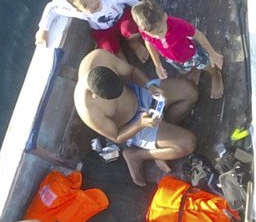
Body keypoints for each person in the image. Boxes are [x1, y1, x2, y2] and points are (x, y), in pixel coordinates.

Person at [74, 50, 196, 187]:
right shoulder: (88, 111)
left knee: (190, 92)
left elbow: (131, 72)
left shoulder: (99, 57)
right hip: (133, 125)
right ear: (95, 96)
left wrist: (149, 86)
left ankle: (162, 137)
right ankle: (137, 155)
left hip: (139, 93)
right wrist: (140, 124)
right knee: (188, 143)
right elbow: (117, 137)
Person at [122, 0, 225, 97]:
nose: (159, 37)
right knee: (184, 69)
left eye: (161, 31)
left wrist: (213, 53)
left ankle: (215, 74)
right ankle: (195, 69)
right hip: (172, 58)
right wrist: (157, 64)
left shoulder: (178, 25)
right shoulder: (146, 32)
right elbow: (148, 42)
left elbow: (198, 35)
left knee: (205, 64)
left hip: (192, 53)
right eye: (154, 35)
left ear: (165, 17)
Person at [34, 0, 138, 53]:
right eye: (85, 5)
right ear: (78, 9)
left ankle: (134, 43)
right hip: (105, 31)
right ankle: (123, 63)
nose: (93, 4)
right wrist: (43, 29)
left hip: (121, 19)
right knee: (108, 50)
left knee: (129, 27)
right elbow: (52, 7)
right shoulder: (79, 12)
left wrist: (143, 11)